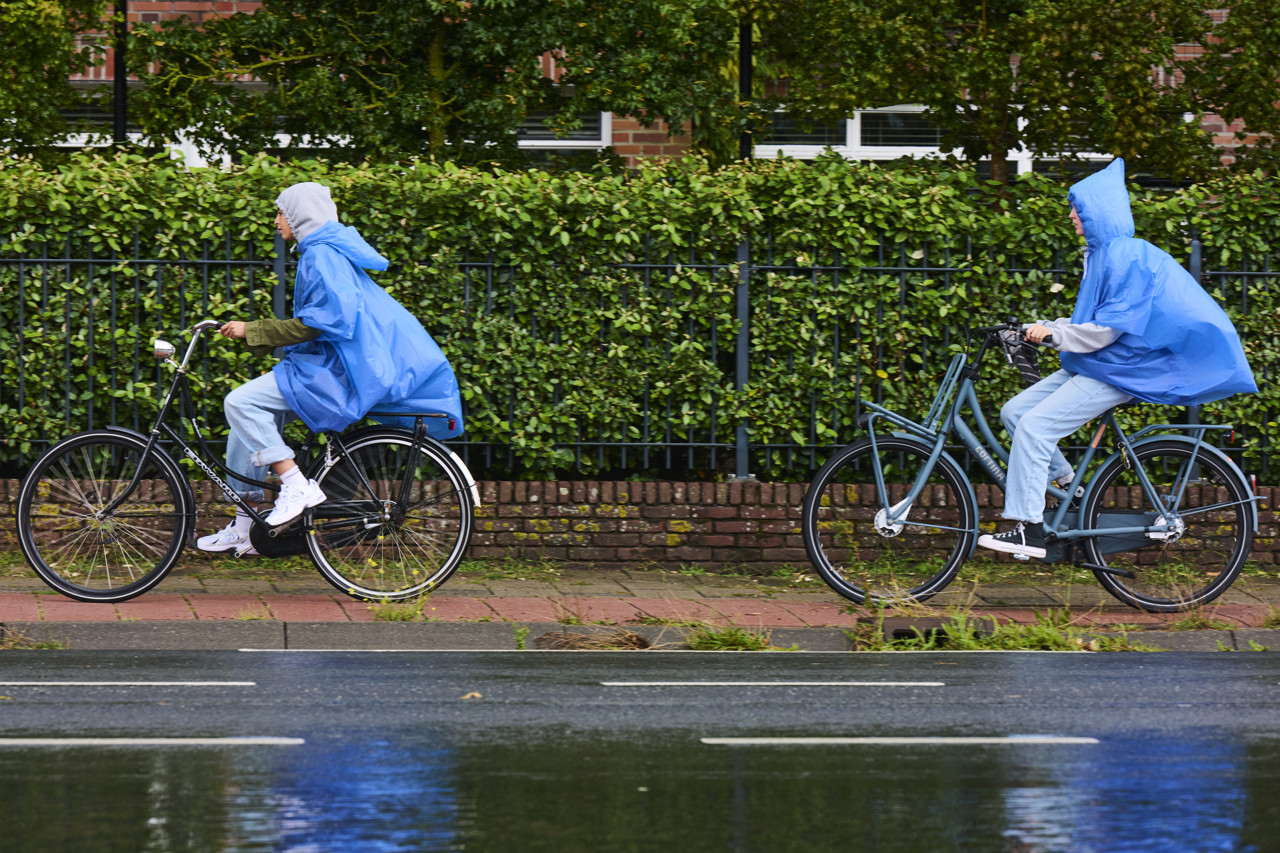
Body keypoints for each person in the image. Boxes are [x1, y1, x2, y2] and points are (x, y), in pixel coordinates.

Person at [977, 158, 1256, 558]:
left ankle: (1029, 529)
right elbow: (1090, 323)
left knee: (1036, 429)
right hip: (1103, 362)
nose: (1072, 215)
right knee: (1015, 412)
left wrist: (1054, 334)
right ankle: (1071, 490)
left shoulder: (1127, 256)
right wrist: (1038, 326)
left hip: (1122, 368)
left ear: (1098, 213)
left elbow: (1107, 331)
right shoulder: (1103, 255)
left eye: (1078, 208)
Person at [197, 182, 464, 555]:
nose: (276, 222)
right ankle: (245, 525)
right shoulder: (324, 250)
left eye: (280, 213)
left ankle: (295, 484)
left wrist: (253, 330)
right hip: (325, 366)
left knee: (240, 403)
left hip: (334, 373)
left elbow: (327, 321)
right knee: (247, 426)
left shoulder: (321, 255)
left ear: (298, 216)